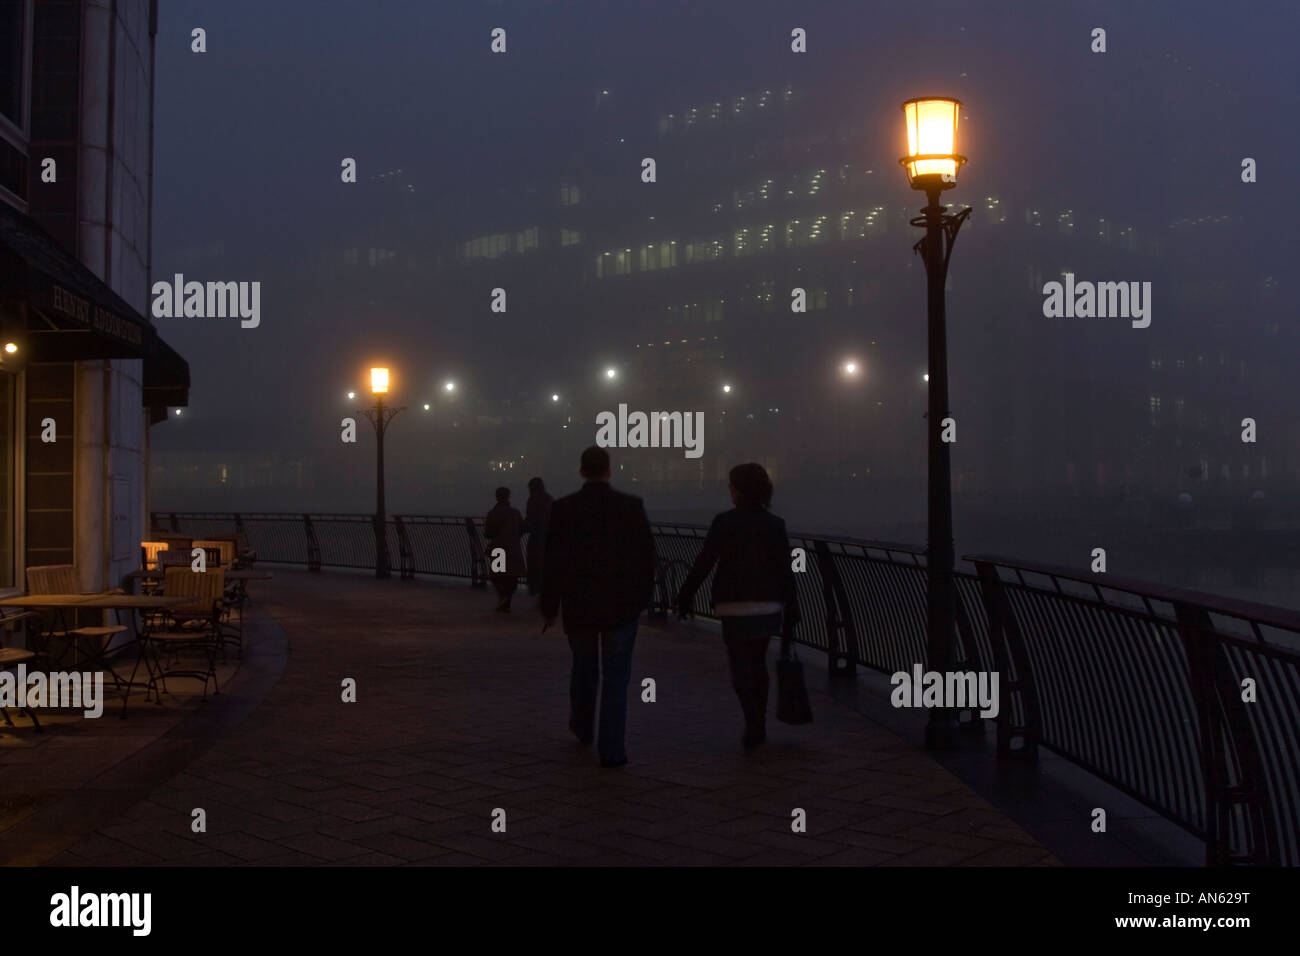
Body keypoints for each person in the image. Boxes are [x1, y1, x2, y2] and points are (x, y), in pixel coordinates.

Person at [541, 446, 655, 768]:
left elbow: (554, 562)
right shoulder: (631, 507)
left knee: (584, 668)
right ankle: (612, 750)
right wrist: (640, 600)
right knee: (617, 677)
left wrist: (550, 605)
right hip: (621, 607)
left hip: (579, 606)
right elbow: (647, 559)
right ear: (609, 470)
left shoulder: (564, 509)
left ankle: (581, 724)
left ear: (581, 471)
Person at [675, 463, 800, 752]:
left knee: (739, 665)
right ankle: (761, 721)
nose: (729, 490)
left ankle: (751, 719)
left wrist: (686, 593)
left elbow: (705, 561)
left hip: (731, 604)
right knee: (758, 663)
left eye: (732, 485)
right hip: (767, 604)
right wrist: (792, 606)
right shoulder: (775, 524)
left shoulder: (724, 522)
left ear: (740, 489)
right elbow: (785, 570)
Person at [484, 487, 525, 612]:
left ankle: (503, 597)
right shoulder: (516, 512)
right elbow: (521, 529)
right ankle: (507, 602)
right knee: (511, 576)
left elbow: (488, 533)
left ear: (497, 497)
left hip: (499, 549)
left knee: (497, 575)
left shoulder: (492, 513)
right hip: (513, 548)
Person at [523, 477, 554, 596]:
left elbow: (529, 520)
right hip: (548, 538)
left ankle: (535, 588)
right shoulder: (549, 499)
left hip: (536, 538)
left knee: (534, 565)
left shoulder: (532, 500)